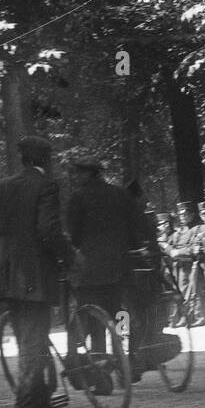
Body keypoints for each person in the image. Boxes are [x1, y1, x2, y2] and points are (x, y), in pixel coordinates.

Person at [0, 136, 76, 408]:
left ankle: (41, 400)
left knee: (30, 339)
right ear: (44, 160)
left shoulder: (4, 186)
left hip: (9, 274)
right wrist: (70, 258)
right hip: (36, 275)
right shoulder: (46, 186)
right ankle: (26, 407)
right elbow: (49, 230)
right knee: (33, 341)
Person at [65, 157, 144, 378]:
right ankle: (126, 359)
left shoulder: (78, 197)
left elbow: (74, 234)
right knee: (120, 312)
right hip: (120, 264)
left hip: (92, 269)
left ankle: (101, 372)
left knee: (95, 318)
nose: (76, 176)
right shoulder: (120, 194)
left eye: (80, 173)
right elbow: (134, 225)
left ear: (91, 173)